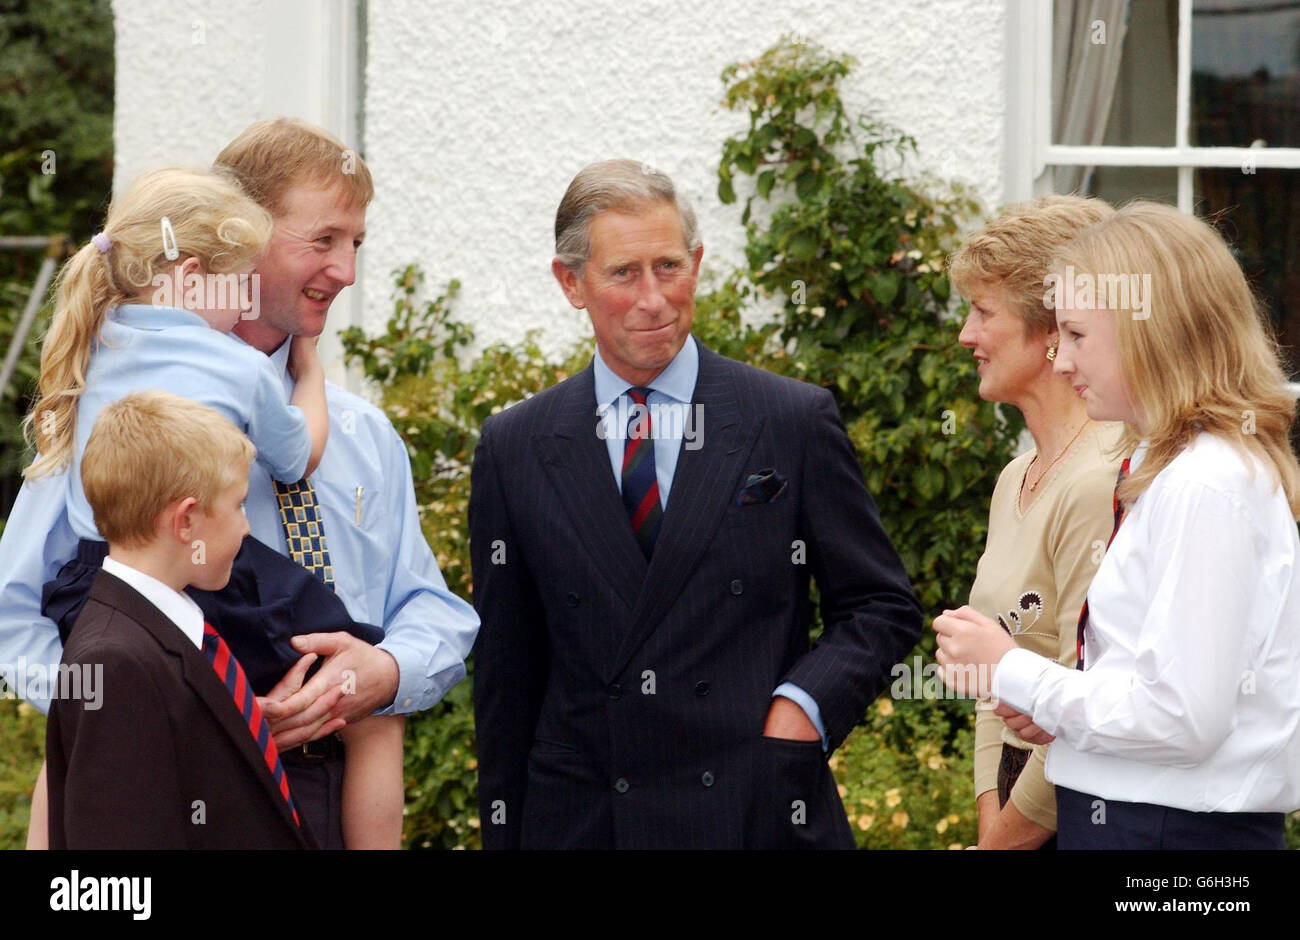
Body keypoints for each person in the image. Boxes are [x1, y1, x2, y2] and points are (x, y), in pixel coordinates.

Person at [2, 118, 480, 849]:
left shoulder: (364, 436)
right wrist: (144, 706)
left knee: (380, 727)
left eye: (357, 243)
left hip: (332, 795)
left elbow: (429, 610)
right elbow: (17, 617)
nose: (347, 271)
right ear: (244, 236)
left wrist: (384, 670)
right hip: (167, 792)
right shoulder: (113, 418)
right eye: (323, 240)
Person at [470, 159, 923, 849]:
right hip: (589, 825)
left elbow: (880, 606)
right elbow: (506, 679)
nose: (654, 299)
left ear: (698, 264)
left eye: (669, 267)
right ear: (571, 283)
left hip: (755, 814)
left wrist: (801, 709)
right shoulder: (516, 446)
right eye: (624, 273)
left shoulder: (790, 419)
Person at [934, 200, 1300, 849]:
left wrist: (1014, 671)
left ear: (1147, 332)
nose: (1063, 361)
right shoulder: (1177, 469)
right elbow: (1153, 686)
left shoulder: (1204, 481)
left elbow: (1184, 719)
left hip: (1166, 832)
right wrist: (1058, 710)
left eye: (1077, 336)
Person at [48, 391, 314, 849]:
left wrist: (243, 724)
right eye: (239, 505)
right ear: (186, 521)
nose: (246, 526)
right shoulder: (114, 662)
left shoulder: (163, 632)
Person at [947, 195, 1124, 849]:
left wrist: (1001, 844)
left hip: (1078, 816)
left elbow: (1086, 700)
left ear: (1051, 329)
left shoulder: (1101, 479)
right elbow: (991, 685)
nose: (965, 335)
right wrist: (989, 827)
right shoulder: (1013, 477)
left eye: (983, 311)